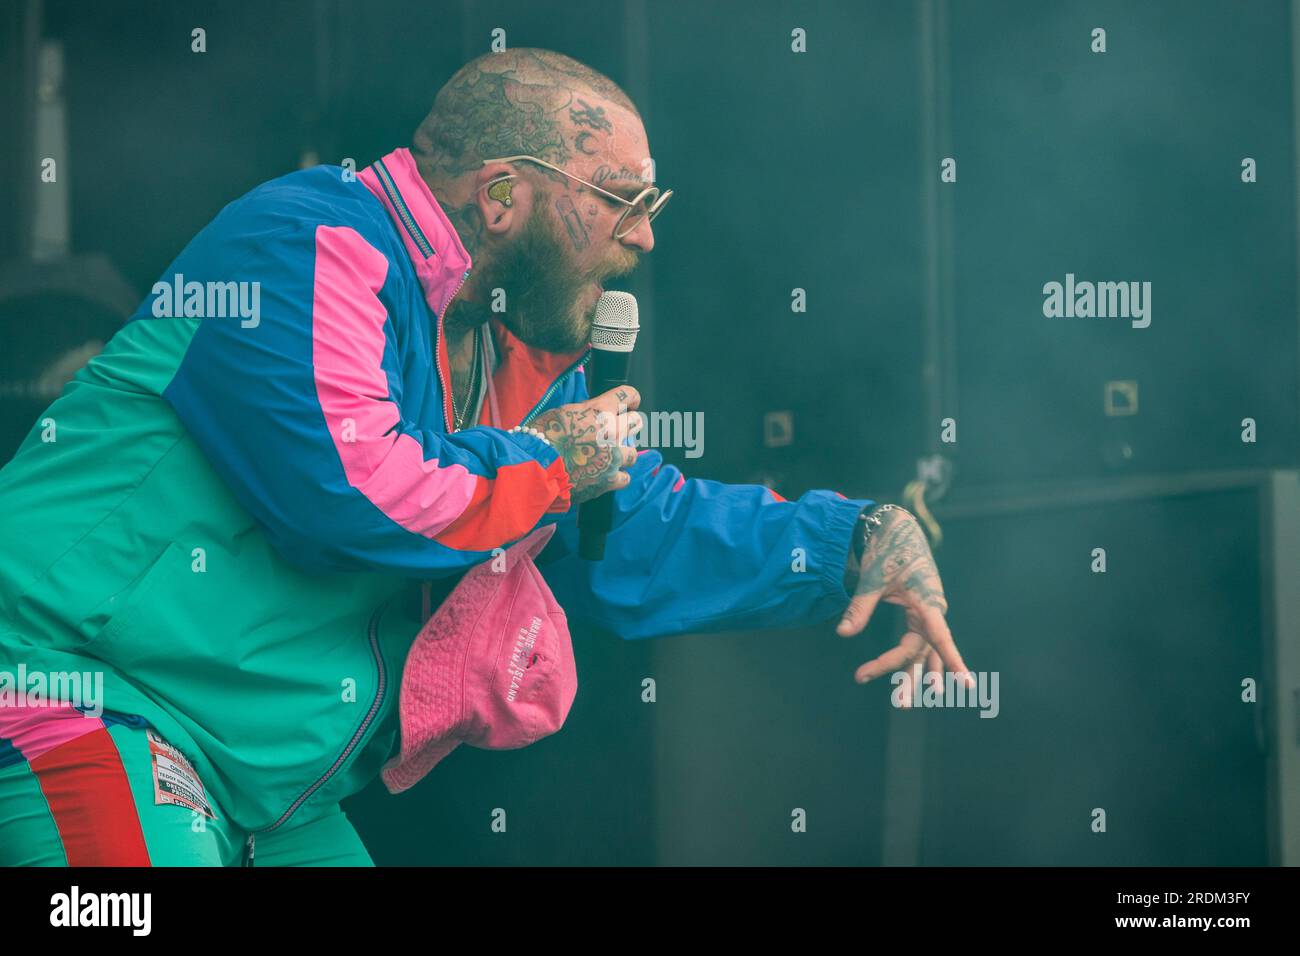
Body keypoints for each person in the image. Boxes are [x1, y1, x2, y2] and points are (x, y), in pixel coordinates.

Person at [0, 48, 969, 866]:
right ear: (502, 194)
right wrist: (548, 462)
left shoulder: (517, 351)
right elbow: (355, 489)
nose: (645, 234)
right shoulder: (310, 238)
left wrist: (848, 538)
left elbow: (622, 530)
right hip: (79, 688)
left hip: (256, 769)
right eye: (622, 199)